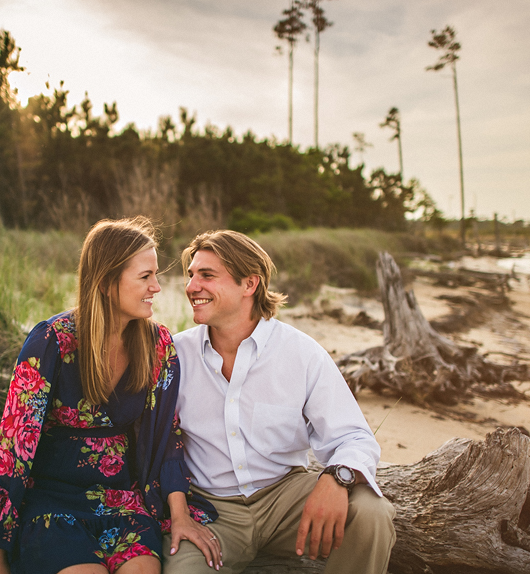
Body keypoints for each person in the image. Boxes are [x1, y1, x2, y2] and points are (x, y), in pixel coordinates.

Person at [0, 217, 220, 574]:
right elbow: (12, 449)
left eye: (156, 275)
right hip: (51, 502)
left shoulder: (157, 346)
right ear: (107, 282)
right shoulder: (52, 341)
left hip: (123, 501)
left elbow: (166, 439)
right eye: (145, 276)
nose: (157, 287)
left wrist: (180, 514)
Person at [164, 230, 396, 574]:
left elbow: (354, 437)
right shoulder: (174, 355)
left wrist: (337, 478)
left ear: (249, 284)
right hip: (210, 510)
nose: (191, 286)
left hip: (286, 499)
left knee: (371, 513)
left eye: (207, 275)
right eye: (191, 275)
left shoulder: (301, 353)